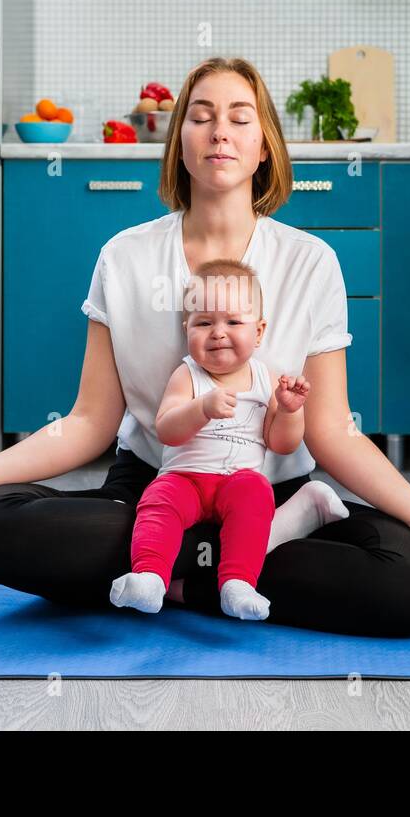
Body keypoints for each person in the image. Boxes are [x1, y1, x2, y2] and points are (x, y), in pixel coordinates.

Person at [0, 56, 410, 638]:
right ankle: (225, 571)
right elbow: (90, 421)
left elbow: (333, 431)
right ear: (179, 142)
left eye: (239, 117)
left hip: (270, 496)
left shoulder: (311, 262)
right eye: (200, 116)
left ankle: (174, 577)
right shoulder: (124, 256)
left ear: (264, 146)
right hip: (156, 487)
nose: (219, 130)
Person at [109, 258, 349, 622]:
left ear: (258, 332)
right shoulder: (187, 374)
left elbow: (281, 444)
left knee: (256, 494)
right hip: (184, 479)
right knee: (157, 502)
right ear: (187, 328)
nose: (218, 332)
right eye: (204, 323)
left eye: (233, 322)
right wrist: (201, 408)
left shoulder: (265, 378)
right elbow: (167, 429)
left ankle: (237, 583)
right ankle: (149, 576)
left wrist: (288, 410)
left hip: (237, 481)